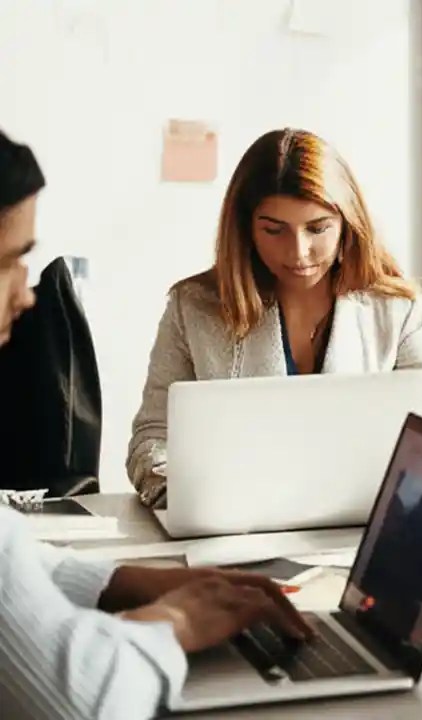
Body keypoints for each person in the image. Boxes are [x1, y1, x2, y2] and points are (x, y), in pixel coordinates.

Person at [0, 128, 311, 719]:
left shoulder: (393, 304)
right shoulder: (194, 303)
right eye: (13, 261)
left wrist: (117, 584)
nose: (27, 295)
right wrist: (176, 620)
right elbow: (83, 702)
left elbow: (11, 560)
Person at [128, 128, 422, 506]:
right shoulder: (192, 308)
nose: (298, 252)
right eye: (274, 230)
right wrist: (183, 502)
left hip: (356, 522)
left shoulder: (398, 310)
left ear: (347, 222)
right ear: (246, 229)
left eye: (317, 228)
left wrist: (403, 506)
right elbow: (153, 437)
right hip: (233, 527)